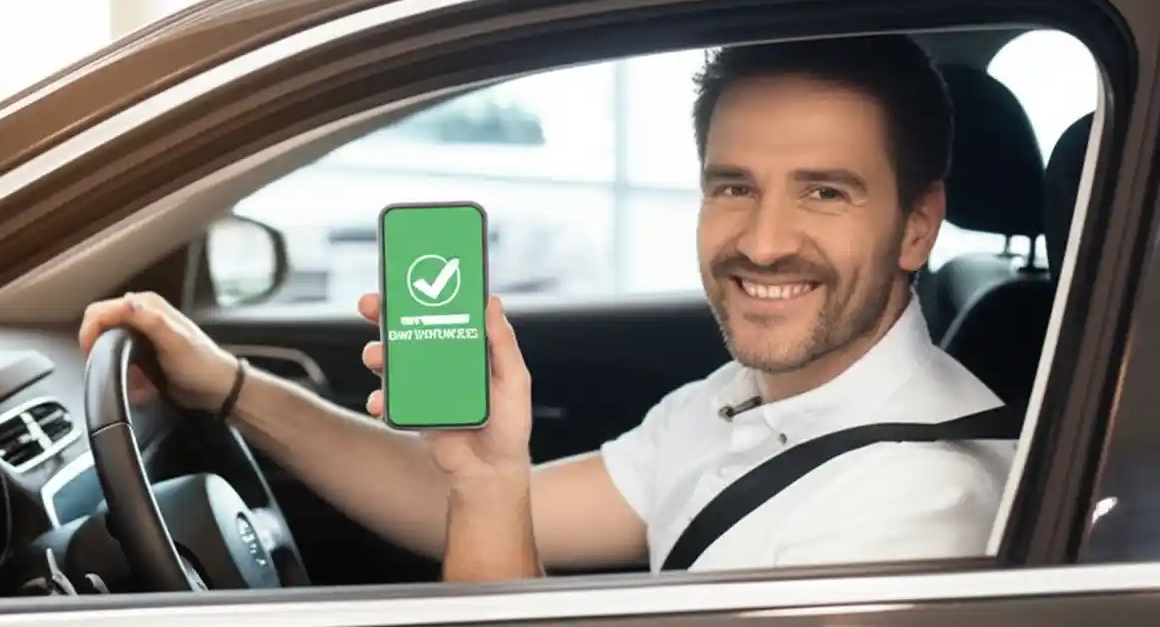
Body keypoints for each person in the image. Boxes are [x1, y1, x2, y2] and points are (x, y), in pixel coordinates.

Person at [79, 35, 1016, 583]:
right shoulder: (740, 398)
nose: (764, 242)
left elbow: (493, 511)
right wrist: (232, 388)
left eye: (825, 192)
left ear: (916, 226)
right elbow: (449, 502)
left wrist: (492, 496)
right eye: (733, 186)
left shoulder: (911, 512)